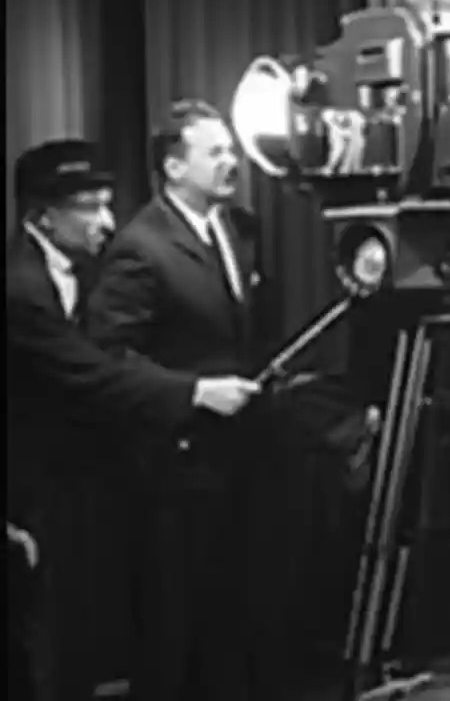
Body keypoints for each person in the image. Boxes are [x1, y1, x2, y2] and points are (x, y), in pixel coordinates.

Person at [6, 139, 259, 701]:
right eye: (90, 208)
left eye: (107, 203)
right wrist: (196, 392)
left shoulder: (77, 268)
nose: (107, 222)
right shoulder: (20, 288)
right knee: (47, 650)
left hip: (74, 486)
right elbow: (92, 372)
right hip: (33, 493)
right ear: (43, 216)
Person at [82, 100, 272, 701]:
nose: (232, 162)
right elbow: (108, 356)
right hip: (173, 466)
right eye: (215, 152)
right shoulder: (142, 246)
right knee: (174, 626)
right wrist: (193, 392)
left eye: (231, 149)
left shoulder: (237, 231)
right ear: (173, 166)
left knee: (228, 622)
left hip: (235, 459)